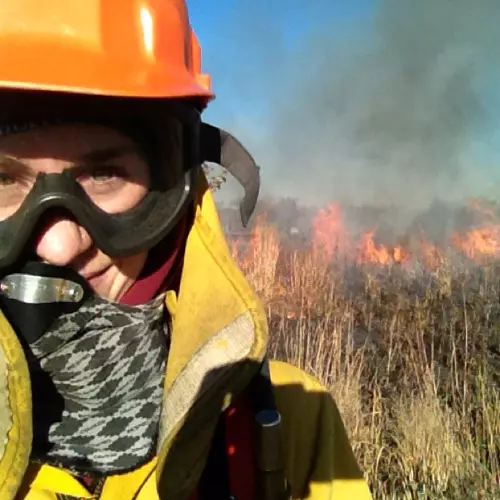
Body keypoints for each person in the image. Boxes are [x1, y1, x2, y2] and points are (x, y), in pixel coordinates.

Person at [0, 1, 373, 499]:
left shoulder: (285, 424)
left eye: (106, 175)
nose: (60, 244)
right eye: (2, 179)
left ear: (178, 196)